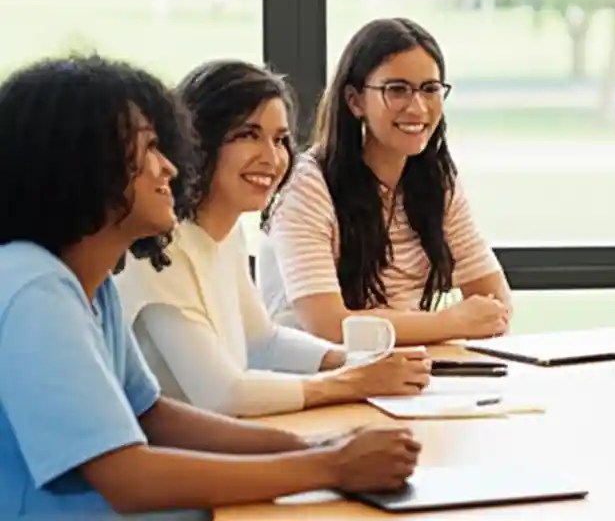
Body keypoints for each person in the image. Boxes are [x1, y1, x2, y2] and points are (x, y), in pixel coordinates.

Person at [0, 56, 417, 517]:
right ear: (81, 164)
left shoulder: (90, 285)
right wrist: (328, 466)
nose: (170, 169)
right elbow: (126, 478)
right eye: (148, 150)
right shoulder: (35, 290)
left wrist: (313, 446)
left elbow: (152, 415)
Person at [116, 60, 430, 417]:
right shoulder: (156, 248)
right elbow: (223, 395)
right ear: (197, 140)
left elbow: (263, 343)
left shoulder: (225, 231)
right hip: (176, 461)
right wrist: (353, 380)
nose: (272, 158)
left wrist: (355, 361)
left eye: (280, 140)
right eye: (248, 135)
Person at [259, 18, 513, 345]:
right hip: (319, 379)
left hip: (411, 371)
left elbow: (496, 305)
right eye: (397, 90)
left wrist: (442, 327)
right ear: (354, 101)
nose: (417, 107)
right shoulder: (307, 185)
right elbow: (330, 326)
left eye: (430, 89)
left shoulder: (436, 181)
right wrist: (449, 322)